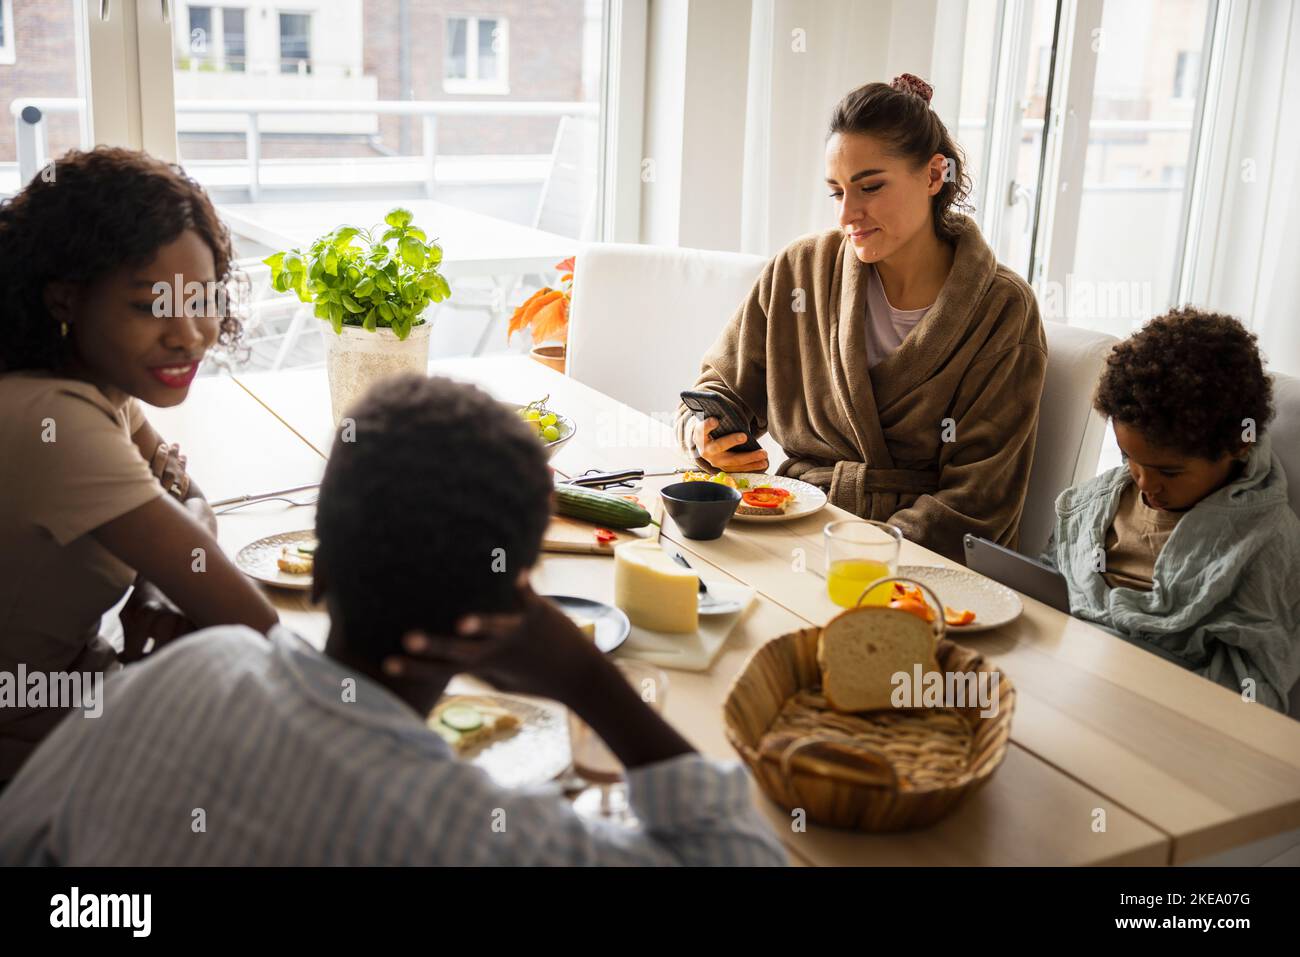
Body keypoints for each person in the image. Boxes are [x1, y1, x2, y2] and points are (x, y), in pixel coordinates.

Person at [0, 375, 787, 865]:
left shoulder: (179, 676)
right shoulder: (481, 833)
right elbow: (742, 854)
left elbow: (21, 835)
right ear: (505, 603)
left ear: (318, 563)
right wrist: (589, 682)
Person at [675, 74, 1046, 562]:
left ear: (935, 176)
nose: (848, 214)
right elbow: (717, 394)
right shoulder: (800, 272)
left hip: (917, 560)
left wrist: (857, 552)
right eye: (836, 192)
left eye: (870, 186)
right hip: (788, 524)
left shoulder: (1001, 310)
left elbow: (978, 504)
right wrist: (706, 434)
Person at [0, 148, 277, 787]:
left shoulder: (100, 395)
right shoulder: (57, 422)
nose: (189, 333)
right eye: (152, 306)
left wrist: (160, 581)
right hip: (29, 760)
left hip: (77, 704)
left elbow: (191, 501)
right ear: (66, 299)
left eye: (202, 298)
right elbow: (256, 625)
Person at [1043, 308, 1300, 712]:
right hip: (1058, 681)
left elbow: (1258, 687)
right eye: (1129, 457)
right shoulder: (1095, 505)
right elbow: (1046, 583)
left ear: (1237, 446)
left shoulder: (1263, 540)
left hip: (1156, 712)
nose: (1145, 483)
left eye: (1170, 471)